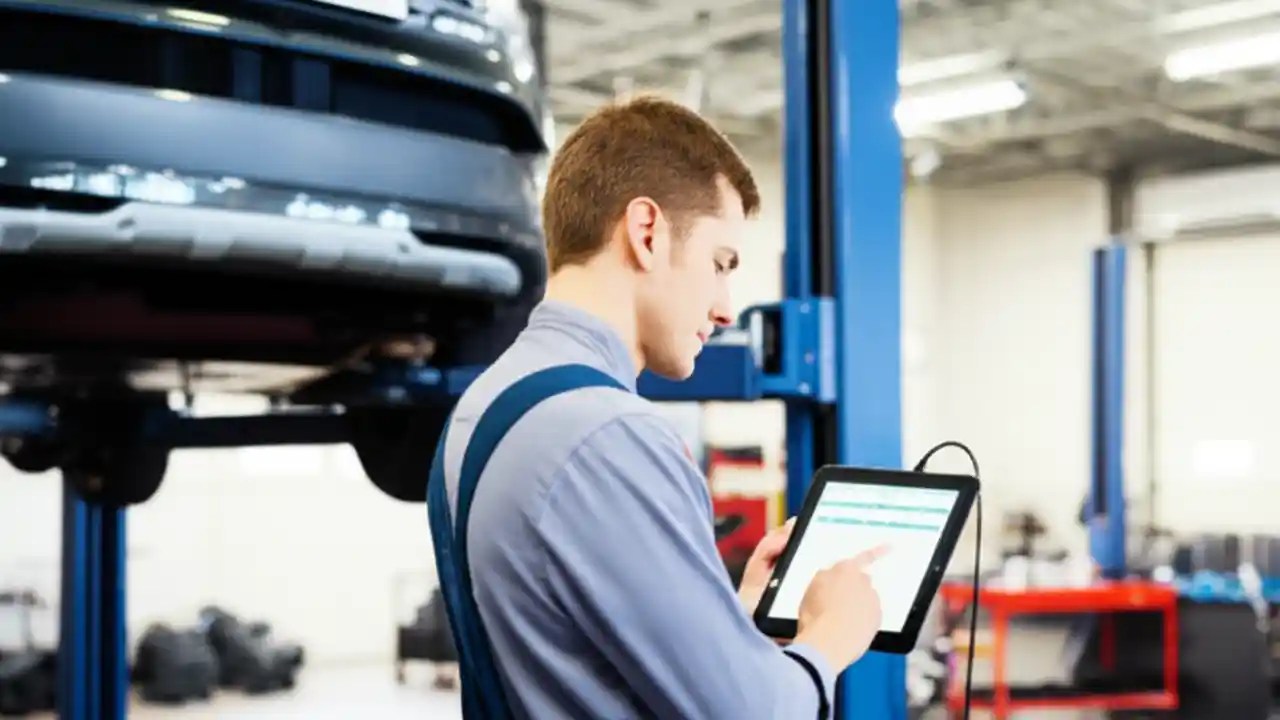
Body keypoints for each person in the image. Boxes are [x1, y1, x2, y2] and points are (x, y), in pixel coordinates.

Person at [428, 95, 885, 719]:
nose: (725, 308)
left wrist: (733, 617)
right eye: (719, 264)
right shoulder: (610, 434)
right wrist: (832, 634)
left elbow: (574, 657)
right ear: (646, 233)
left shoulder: (484, 408)